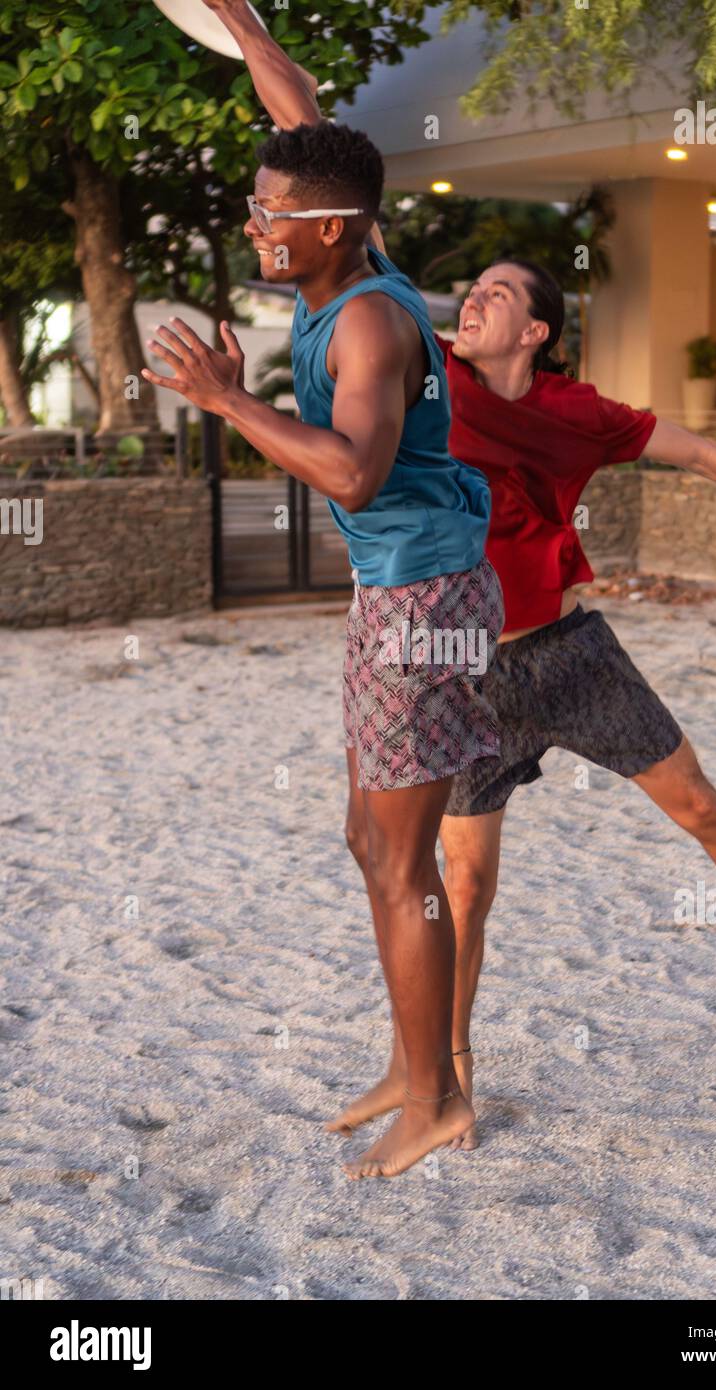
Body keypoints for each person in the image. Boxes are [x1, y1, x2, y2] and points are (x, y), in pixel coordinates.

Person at [329, 250, 716, 1152]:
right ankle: (451, 1073)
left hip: (570, 655)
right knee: (465, 885)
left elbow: (700, 453)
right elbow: (363, 257)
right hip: (465, 669)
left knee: (698, 804)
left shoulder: (577, 413)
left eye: (498, 293)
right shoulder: (428, 372)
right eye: (474, 288)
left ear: (535, 331)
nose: (475, 300)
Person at [145, 1, 505, 1179]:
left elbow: (351, 468)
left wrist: (228, 401)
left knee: (402, 863)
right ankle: (412, 1063)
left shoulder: (367, 328)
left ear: (333, 230)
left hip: (424, 606)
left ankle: (437, 1098)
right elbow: (297, 111)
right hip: (397, 592)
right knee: (370, 838)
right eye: (256, 206)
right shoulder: (354, 249)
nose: (256, 225)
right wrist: (241, 21)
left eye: (272, 217)